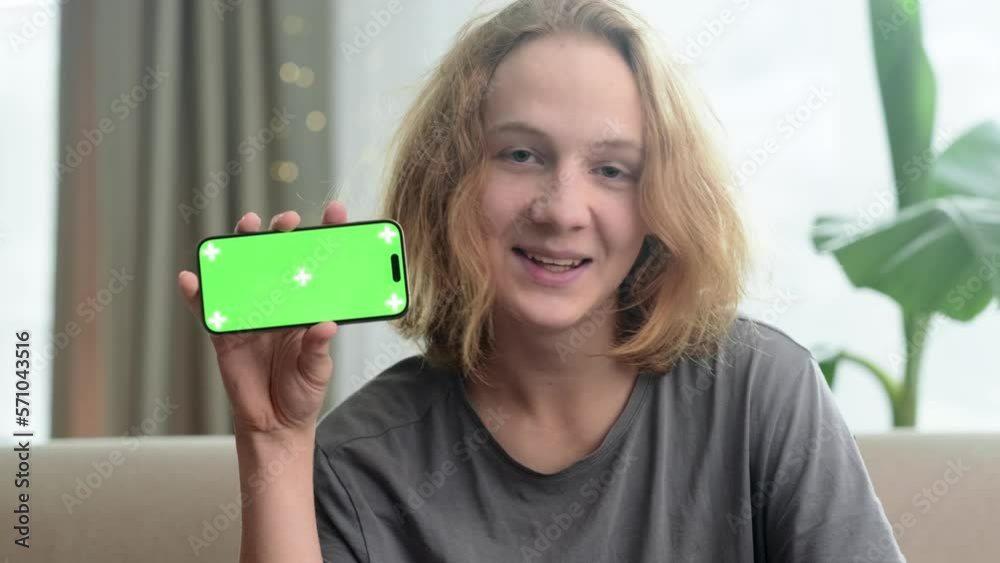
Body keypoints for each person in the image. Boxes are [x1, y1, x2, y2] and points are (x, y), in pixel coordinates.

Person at [178, 0, 906, 561]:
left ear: (661, 202)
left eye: (612, 169)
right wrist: (273, 443)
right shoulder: (357, 462)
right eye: (521, 154)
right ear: (451, 179)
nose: (561, 209)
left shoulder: (760, 395)